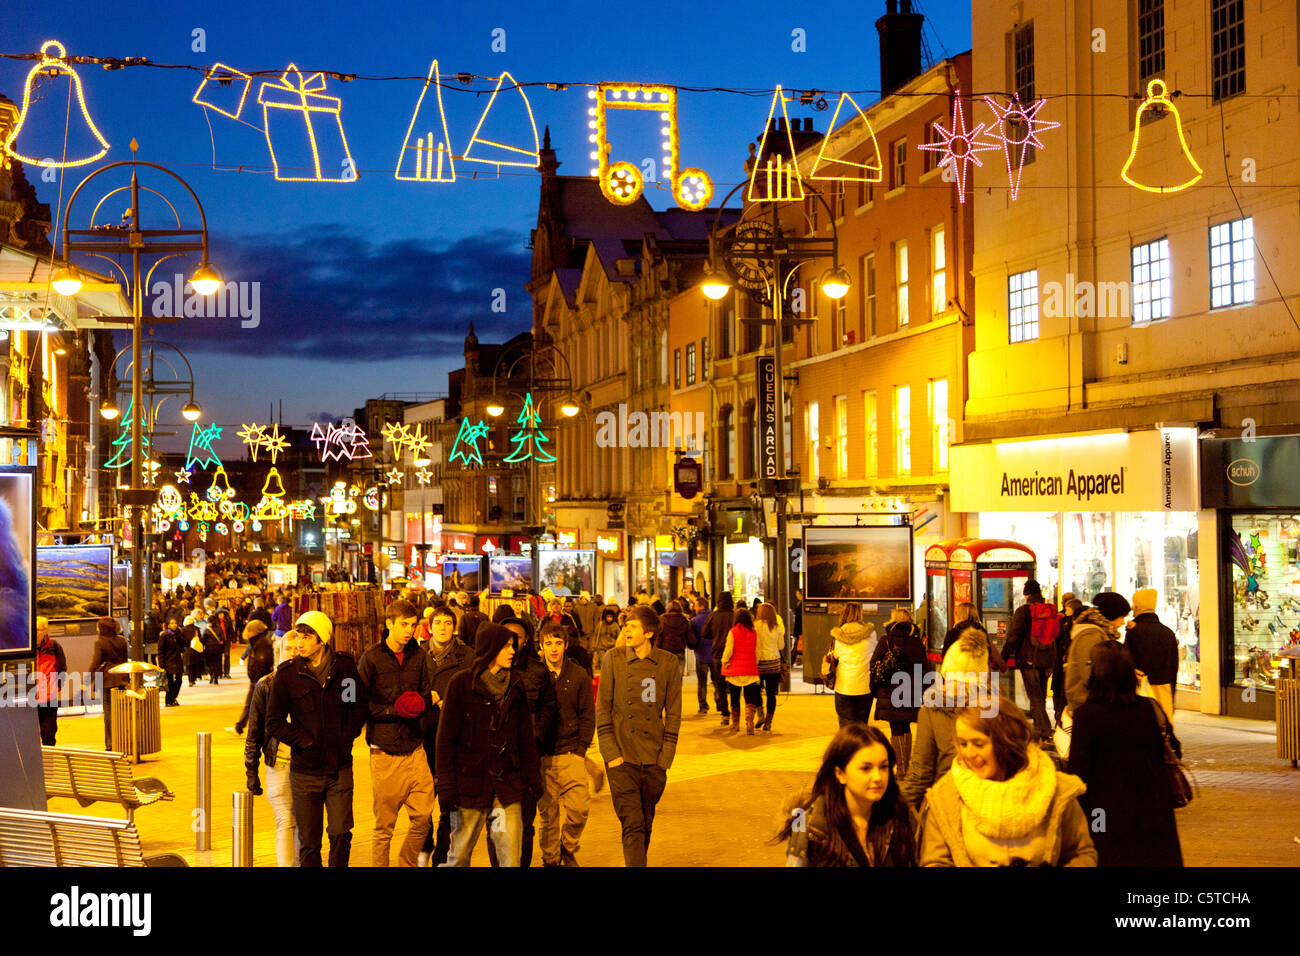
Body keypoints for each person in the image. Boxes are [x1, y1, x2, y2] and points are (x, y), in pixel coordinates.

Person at [918, 701, 1097, 867]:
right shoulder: (946, 796)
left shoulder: (1055, 789)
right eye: (963, 744)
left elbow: (1082, 853)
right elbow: (935, 861)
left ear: (1006, 742)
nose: (969, 753)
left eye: (978, 744)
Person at [265, 611, 369, 867]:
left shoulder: (344, 668)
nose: (298, 642)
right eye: (298, 635)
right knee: (309, 842)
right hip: (305, 773)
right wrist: (303, 741)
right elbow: (274, 722)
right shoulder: (287, 675)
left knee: (341, 833)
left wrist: (346, 737)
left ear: (321, 640)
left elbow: (356, 707)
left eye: (306, 636)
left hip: (339, 769)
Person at [1067, 641, 1183, 866]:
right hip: (1153, 805)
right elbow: (1175, 750)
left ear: (1097, 672)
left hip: (1102, 811)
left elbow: (1078, 773)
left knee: (1107, 856)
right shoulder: (1149, 709)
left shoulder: (1087, 715)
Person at [436, 623, 542, 867]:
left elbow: (525, 737)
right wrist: (446, 785)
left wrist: (533, 778)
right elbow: (445, 740)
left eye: (513, 646)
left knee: (509, 858)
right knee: (459, 856)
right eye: (506, 646)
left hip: (505, 788)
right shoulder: (460, 684)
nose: (512, 651)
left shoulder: (515, 684)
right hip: (469, 788)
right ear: (490, 649)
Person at [597, 604, 682, 867]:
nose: (625, 630)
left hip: (654, 762)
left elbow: (674, 715)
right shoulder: (613, 658)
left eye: (632, 626)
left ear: (649, 633)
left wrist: (664, 759)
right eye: (625, 626)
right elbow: (603, 709)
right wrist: (611, 755)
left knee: (645, 822)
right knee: (632, 823)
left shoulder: (668, 663)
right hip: (622, 760)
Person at [357, 599, 436, 867]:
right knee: (384, 827)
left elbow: (427, 694)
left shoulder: (420, 657)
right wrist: (395, 711)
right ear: (389, 624)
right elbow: (359, 703)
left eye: (413, 625)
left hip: (415, 750)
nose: (409, 631)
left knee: (424, 818)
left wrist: (421, 705)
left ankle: (406, 863)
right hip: (384, 754)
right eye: (403, 625)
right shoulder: (371, 658)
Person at [778, 723, 919, 866]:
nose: (877, 777)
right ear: (840, 773)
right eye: (866, 768)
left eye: (883, 767)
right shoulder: (811, 825)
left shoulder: (899, 815)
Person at [489, 614, 556, 868]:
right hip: (495, 761)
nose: (511, 642)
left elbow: (548, 707)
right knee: (497, 824)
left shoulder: (538, 671)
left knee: (525, 824)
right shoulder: (486, 670)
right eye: (506, 637)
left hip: (527, 758)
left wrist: (535, 734)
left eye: (517, 637)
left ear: (527, 639)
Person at [900, 631, 992, 811]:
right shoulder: (998, 709)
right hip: (988, 805)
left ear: (946, 671)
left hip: (947, 805)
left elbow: (920, 774)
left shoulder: (933, 709)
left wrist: (896, 813)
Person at [536, 622, 596, 866]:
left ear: (565, 646)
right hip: (542, 756)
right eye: (548, 644)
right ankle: (550, 859)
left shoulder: (578, 674)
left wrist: (581, 750)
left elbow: (587, 715)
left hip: (571, 752)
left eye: (558, 643)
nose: (553, 649)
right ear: (541, 646)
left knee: (579, 809)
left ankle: (567, 846)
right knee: (547, 815)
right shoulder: (535, 674)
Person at [420, 604, 473, 865]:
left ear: (454, 627)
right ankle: (426, 841)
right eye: (438, 622)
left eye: (447, 623)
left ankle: (442, 853)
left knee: (450, 800)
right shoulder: (416, 655)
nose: (442, 627)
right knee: (423, 800)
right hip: (423, 737)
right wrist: (426, 700)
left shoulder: (468, 657)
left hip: (454, 739)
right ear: (429, 627)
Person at [245, 629, 301, 867]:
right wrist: (251, 769)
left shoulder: (310, 683)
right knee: (286, 820)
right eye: (288, 649)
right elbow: (254, 731)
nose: (293, 654)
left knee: (305, 823)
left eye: (298, 649)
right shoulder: (265, 685)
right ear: (278, 653)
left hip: (305, 764)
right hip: (278, 763)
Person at [869, 608, 929, 775]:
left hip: (890, 690)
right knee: (906, 727)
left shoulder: (885, 641)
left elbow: (874, 666)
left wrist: (874, 689)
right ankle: (906, 765)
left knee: (896, 728)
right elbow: (923, 669)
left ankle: (901, 768)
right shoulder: (917, 643)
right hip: (911, 690)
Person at [1000, 580, 1056, 741]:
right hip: (1048, 660)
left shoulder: (1024, 611)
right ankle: (1039, 730)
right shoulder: (1050, 610)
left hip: (1029, 660)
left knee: (1035, 697)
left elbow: (1014, 637)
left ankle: (1045, 731)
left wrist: (1003, 658)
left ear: (1026, 595)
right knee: (1041, 697)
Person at [1064, 592, 1131, 715]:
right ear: (1111, 615)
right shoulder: (1091, 635)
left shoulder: (1099, 633)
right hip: (1086, 703)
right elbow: (1090, 674)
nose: (1123, 622)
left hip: (1094, 702)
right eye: (1121, 617)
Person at [1125, 588, 1179, 723]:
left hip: (1141, 688)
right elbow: (1173, 666)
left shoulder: (1134, 631)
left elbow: (1128, 661)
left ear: (1137, 607)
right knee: (1164, 728)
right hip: (1164, 688)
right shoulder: (1168, 633)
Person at [827, 602, 875, 727]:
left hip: (844, 686)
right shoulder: (871, 634)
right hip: (865, 686)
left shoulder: (837, 636)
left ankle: (848, 746)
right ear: (860, 614)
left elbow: (834, 656)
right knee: (862, 726)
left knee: (845, 727)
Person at [88, 617, 129, 751]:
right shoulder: (122, 640)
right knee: (122, 712)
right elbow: (124, 660)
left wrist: (88, 680)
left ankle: (111, 743)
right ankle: (123, 740)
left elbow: (96, 662)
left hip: (108, 680)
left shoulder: (100, 642)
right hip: (122, 678)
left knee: (109, 713)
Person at [721, 607, 763, 735]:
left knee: (734, 697)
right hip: (750, 669)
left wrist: (724, 660)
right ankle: (749, 723)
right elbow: (758, 651)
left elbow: (729, 650)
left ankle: (735, 724)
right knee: (749, 697)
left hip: (735, 670)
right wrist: (754, 662)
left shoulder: (733, 632)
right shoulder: (754, 633)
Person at [232, 619, 273, 734]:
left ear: (255, 632)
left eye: (249, 631)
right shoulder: (257, 642)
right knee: (251, 704)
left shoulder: (262, 643)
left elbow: (262, 662)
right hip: (256, 681)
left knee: (255, 705)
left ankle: (247, 727)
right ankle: (240, 726)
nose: (247, 633)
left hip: (258, 681)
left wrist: (256, 678)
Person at [754, 602, 786, 733]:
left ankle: (760, 713)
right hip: (773, 662)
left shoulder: (756, 626)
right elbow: (781, 646)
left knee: (755, 690)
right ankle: (768, 722)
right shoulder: (776, 627)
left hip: (760, 663)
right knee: (771, 693)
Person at [34, 618, 66, 745]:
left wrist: (58, 686)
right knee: (29, 735)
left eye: (38, 630)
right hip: (29, 697)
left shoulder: (54, 647)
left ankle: (49, 763)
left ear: (45, 631)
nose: (35, 633)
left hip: (48, 697)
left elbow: (62, 668)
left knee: (49, 734)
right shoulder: (27, 647)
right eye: (34, 629)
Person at [705, 593, 736, 725]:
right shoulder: (735, 615)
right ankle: (736, 713)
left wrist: (716, 635)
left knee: (720, 685)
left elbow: (704, 633)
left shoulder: (714, 615)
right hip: (734, 654)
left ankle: (725, 714)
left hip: (717, 653)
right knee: (734, 685)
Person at [1051, 595, 1083, 722]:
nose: (1065, 611)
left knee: (1060, 690)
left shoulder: (1067, 622)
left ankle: (1060, 718)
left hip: (1062, 662)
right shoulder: (1065, 621)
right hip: (1062, 663)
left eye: (1068, 609)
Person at [689, 596, 712, 715]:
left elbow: (691, 637)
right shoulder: (713, 617)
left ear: (701, 606)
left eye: (696, 605)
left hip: (701, 654)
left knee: (702, 682)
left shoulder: (694, 621)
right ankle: (719, 701)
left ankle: (703, 705)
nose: (694, 608)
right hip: (714, 653)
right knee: (718, 680)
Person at [656, 598, 692, 672]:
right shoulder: (684, 620)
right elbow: (689, 636)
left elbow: (659, 636)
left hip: (665, 651)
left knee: (665, 675)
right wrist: (693, 645)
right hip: (679, 651)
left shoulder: (662, 619)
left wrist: (656, 648)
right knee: (678, 676)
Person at [157, 615, 185, 707]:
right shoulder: (164, 635)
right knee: (169, 682)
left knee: (179, 680)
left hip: (177, 661)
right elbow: (160, 650)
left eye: (175, 623)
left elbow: (184, 645)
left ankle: (173, 698)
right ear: (168, 625)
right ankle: (169, 700)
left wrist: (179, 637)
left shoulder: (179, 634)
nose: (174, 625)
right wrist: (161, 663)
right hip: (168, 662)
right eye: (172, 623)